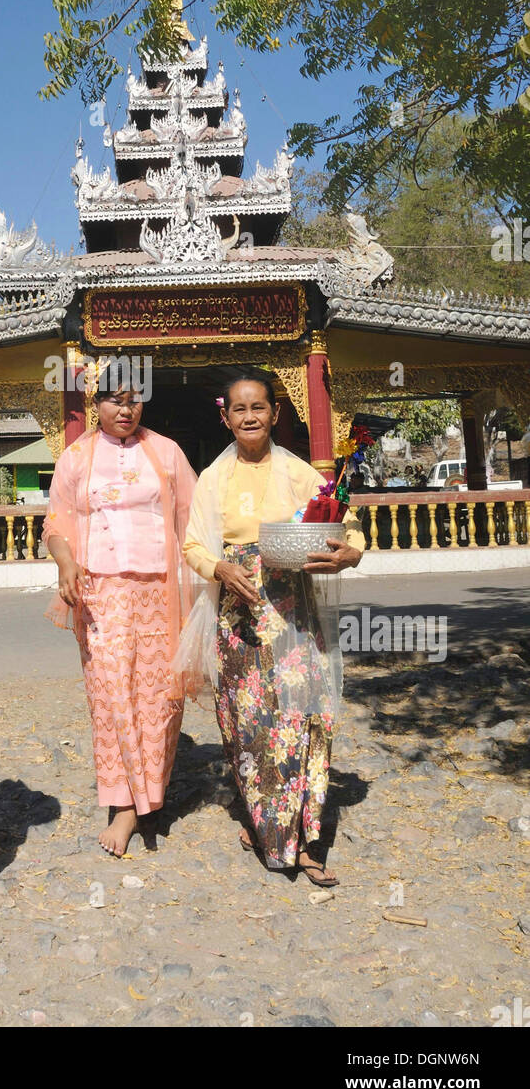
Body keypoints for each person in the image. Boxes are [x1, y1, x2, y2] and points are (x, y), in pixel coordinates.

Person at [179, 368, 364, 887]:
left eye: (258, 407)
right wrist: (218, 568)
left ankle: (305, 840)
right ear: (226, 417)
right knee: (249, 724)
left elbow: (344, 522)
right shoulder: (212, 479)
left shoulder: (301, 473)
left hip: (296, 613)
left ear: (274, 413)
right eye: (239, 409)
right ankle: (264, 822)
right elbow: (192, 544)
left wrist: (349, 553)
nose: (249, 417)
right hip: (239, 616)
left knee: (304, 718)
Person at [44, 373, 197, 857]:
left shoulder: (168, 453)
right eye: (115, 401)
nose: (126, 411)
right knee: (111, 693)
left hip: (160, 589)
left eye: (134, 402)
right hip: (100, 590)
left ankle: (150, 793)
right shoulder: (76, 458)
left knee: (159, 694)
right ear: (97, 404)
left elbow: (193, 519)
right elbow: (56, 523)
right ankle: (123, 804)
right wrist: (67, 564)